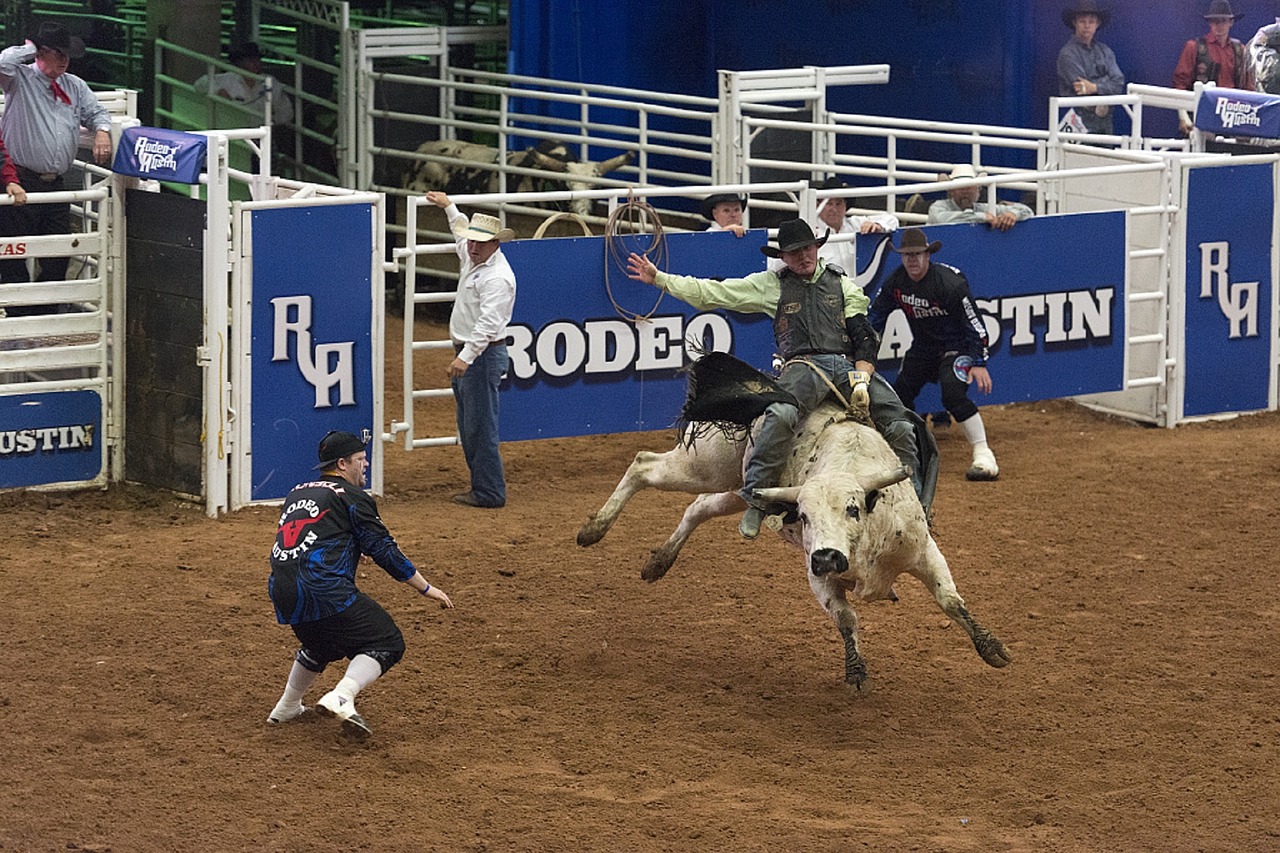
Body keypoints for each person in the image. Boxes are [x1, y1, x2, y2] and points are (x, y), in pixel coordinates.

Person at [625, 218, 927, 539]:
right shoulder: (771, 285)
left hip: (846, 367)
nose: (803, 256)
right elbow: (713, 293)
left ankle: (917, 505)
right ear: (783, 257)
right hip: (802, 368)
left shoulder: (842, 284)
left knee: (902, 424)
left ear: (817, 247)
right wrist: (660, 279)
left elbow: (862, 333)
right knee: (780, 414)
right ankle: (756, 496)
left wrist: (863, 377)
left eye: (807, 248)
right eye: (794, 252)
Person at [267, 430, 454, 740]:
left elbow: (312, 537)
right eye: (360, 460)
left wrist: (351, 550)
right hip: (323, 589)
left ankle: (287, 706)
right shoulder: (351, 497)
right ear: (342, 464)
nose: (365, 465)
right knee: (387, 641)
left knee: (321, 643)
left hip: (283, 591)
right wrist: (425, 587)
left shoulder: (297, 492)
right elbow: (383, 548)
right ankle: (342, 695)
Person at [868, 229, 998, 482]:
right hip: (923, 347)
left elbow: (976, 326)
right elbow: (875, 318)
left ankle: (984, 453)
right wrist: (863, 346)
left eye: (917, 254)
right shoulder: (896, 282)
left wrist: (979, 362)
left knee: (952, 394)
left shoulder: (951, 284)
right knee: (900, 395)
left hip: (956, 347)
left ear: (928, 255)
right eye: (906, 255)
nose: (912, 260)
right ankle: (911, 450)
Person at [0, 22, 112, 313]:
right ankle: (20, 314)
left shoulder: (74, 85)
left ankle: (46, 312)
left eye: (67, 54)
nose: (64, 59)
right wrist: (30, 48)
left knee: (59, 253)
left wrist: (101, 130)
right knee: (14, 251)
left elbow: (97, 111)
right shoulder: (19, 78)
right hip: (20, 179)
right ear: (42, 52)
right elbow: (3, 62)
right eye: (58, 53)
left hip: (55, 184)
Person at [425, 190, 517, 508]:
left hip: (480, 355)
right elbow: (460, 231)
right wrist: (450, 207)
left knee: (478, 426)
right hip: (477, 354)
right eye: (472, 241)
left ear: (495, 244)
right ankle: (485, 488)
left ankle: (489, 492)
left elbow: (489, 324)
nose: (472, 246)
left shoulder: (497, 278)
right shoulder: (480, 262)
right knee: (473, 425)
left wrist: (465, 356)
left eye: (479, 242)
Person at [1174, 2, 1251, 135]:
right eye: (1214, 21)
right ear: (1209, 23)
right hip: (1202, 116)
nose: (1219, 25)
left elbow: (1249, 88)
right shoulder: (1194, 47)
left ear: (1230, 22)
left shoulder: (1241, 51)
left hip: (1232, 116)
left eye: (1223, 21)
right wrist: (1183, 117)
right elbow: (1180, 84)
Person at [1057, 1, 1125, 135]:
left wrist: (1093, 87)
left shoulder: (1105, 51)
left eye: (1091, 21)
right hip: (1078, 120)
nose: (1087, 26)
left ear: (1097, 24)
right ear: (1074, 22)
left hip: (1105, 123)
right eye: (1082, 21)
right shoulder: (1067, 54)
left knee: (1105, 155)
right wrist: (1105, 84)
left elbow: (1119, 83)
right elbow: (1080, 86)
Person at [194, 41, 294, 127]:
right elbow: (200, 84)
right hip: (234, 130)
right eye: (250, 60)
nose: (255, 63)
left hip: (262, 134)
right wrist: (218, 91)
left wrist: (271, 122)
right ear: (240, 62)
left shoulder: (269, 82)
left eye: (257, 60)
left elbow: (286, 113)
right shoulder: (228, 79)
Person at [812, 175, 898, 273]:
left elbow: (892, 220)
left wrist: (877, 225)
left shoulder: (855, 224)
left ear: (845, 206)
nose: (834, 209)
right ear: (819, 205)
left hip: (857, 285)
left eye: (838, 203)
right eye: (829, 203)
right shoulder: (812, 231)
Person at [927, 164, 1033, 231]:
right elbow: (940, 219)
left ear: (978, 190)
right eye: (960, 188)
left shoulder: (983, 208)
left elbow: (1027, 210)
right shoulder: (937, 207)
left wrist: (1012, 214)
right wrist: (982, 217)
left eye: (969, 187)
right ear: (951, 191)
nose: (965, 192)